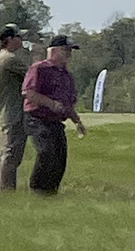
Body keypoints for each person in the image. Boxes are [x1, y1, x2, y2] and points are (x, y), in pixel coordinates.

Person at [21, 34, 87, 195]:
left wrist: (77, 121)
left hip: (55, 121)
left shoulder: (67, 76)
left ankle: (51, 191)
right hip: (37, 119)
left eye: (70, 51)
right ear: (54, 51)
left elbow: (68, 104)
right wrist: (50, 103)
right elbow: (29, 93)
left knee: (60, 157)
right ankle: (37, 189)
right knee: (47, 151)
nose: (69, 54)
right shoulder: (39, 69)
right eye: (66, 50)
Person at [0, 24, 30, 191]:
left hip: (8, 112)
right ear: (9, 40)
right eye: (18, 37)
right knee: (11, 153)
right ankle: (6, 190)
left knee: (5, 152)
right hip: (13, 112)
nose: (21, 40)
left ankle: (1, 188)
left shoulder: (2, 57)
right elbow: (32, 75)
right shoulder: (9, 59)